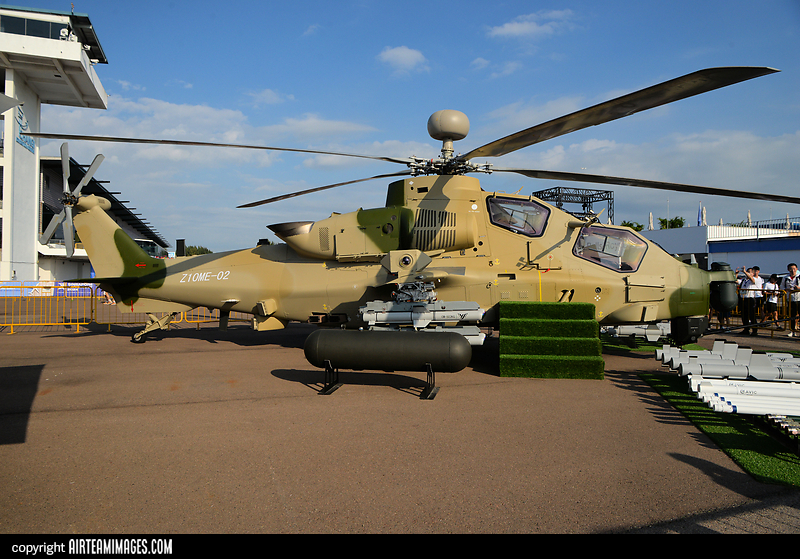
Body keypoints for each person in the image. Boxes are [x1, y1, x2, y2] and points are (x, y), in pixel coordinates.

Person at [739, 266, 763, 336]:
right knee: (744, 315)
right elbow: (736, 281)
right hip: (743, 298)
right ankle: (746, 329)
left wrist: (745, 272)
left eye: (750, 272)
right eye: (747, 272)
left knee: (752, 315)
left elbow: (752, 280)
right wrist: (736, 273)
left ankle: (754, 330)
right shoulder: (744, 280)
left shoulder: (755, 279)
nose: (748, 273)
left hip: (750, 298)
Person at [782, 263, 800, 337]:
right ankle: (792, 330)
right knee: (792, 315)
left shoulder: (799, 277)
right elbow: (782, 288)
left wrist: (798, 288)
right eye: (791, 269)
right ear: (788, 270)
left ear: (796, 269)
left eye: (794, 269)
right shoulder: (785, 278)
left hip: (799, 298)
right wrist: (787, 289)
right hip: (791, 298)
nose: (792, 271)